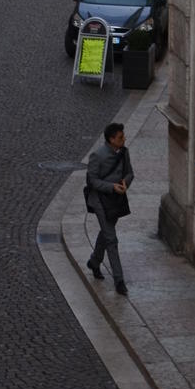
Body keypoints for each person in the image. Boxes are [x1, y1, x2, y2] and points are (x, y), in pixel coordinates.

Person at [85, 120, 134, 294]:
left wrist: (124, 183)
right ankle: (119, 280)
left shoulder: (123, 152)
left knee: (106, 232)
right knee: (111, 239)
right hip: (100, 200)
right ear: (111, 139)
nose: (124, 139)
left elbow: (129, 173)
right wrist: (112, 187)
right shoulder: (97, 156)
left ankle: (94, 261)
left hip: (116, 199)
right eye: (121, 137)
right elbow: (92, 181)